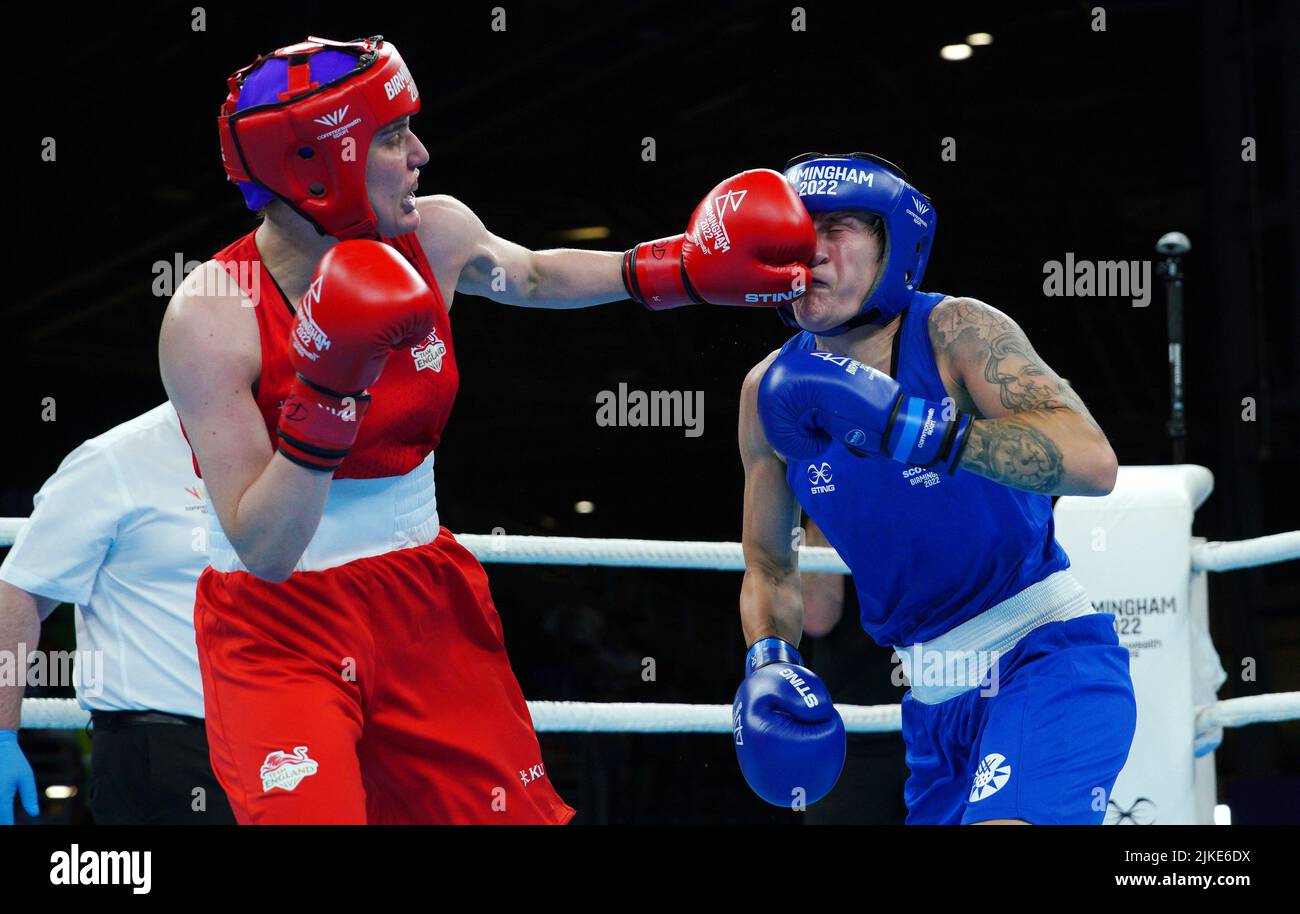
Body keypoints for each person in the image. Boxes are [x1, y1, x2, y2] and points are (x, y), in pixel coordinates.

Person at [163, 34, 810, 823]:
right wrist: (329, 391)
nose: (421, 155)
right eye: (393, 137)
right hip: (277, 626)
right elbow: (266, 550)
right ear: (317, 165)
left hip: (420, 599)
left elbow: (532, 273)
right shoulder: (209, 318)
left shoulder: (432, 233)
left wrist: (679, 269)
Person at [733, 152, 1137, 824]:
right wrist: (768, 659)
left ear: (891, 243)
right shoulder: (765, 395)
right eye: (796, 232)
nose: (810, 252)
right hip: (932, 707)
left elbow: (1094, 463)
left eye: (835, 230)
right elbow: (769, 564)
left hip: (1045, 659)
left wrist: (919, 429)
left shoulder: (956, 333)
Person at [0, 403, 235, 824]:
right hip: (163, 748)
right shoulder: (115, 459)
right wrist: (1, 733)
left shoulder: (297, 454)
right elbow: (19, 591)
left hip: (287, 740)